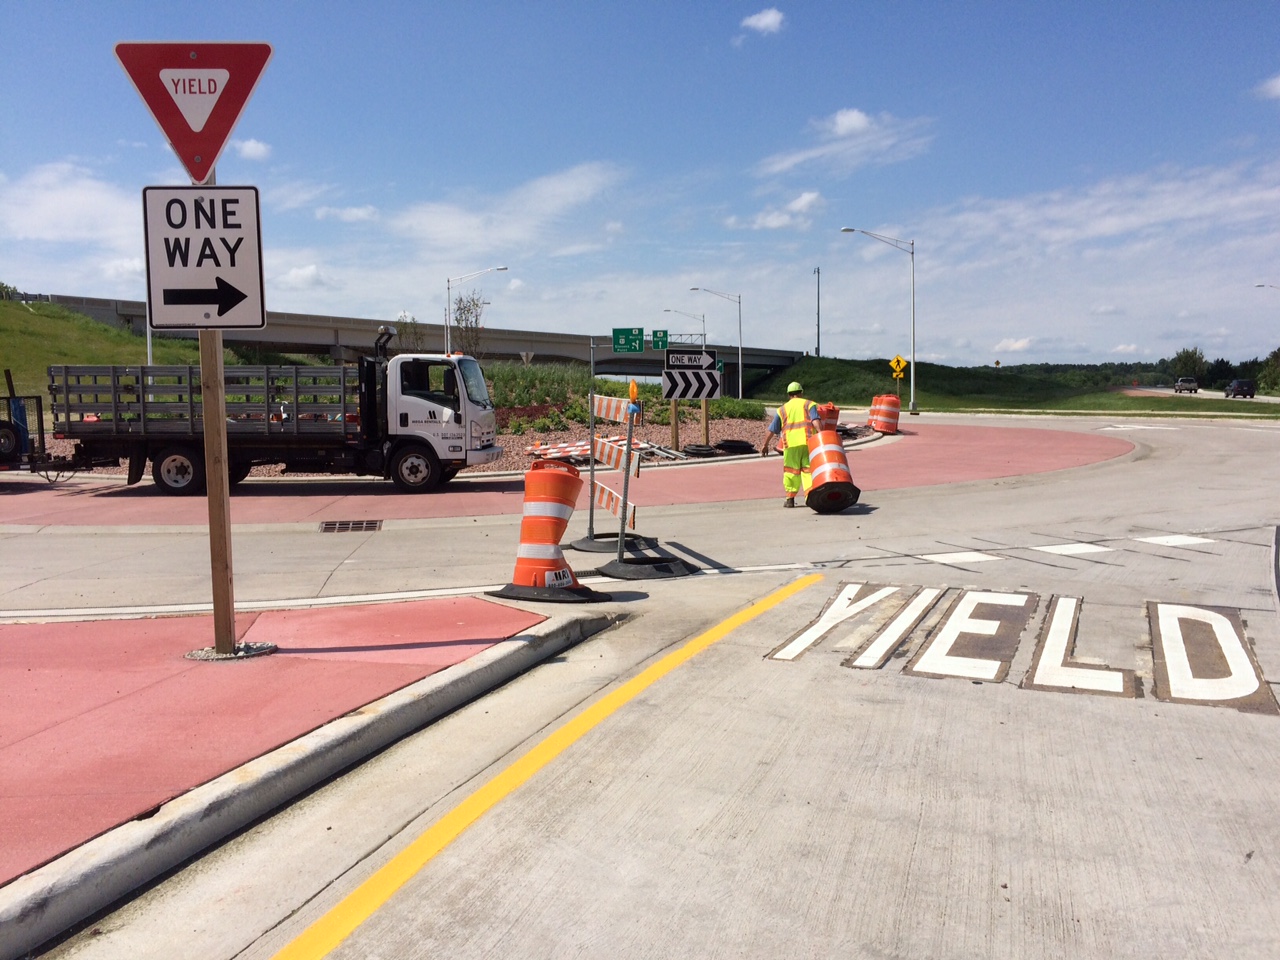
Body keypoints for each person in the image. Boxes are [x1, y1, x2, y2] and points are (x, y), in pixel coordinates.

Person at [761, 381, 821, 507]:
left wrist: (765, 445)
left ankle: (790, 499)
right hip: (808, 443)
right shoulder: (809, 404)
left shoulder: (782, 409)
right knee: (808, 471)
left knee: (791, 472)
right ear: (801, 393)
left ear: (788, 395)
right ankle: (810, 497)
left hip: (790, 446)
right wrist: (822, 437)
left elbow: (771, 430)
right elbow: (815, 421)